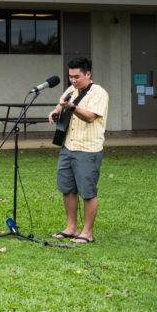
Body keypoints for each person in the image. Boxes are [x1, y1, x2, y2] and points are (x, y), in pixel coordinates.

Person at [46, 56, 109, 243]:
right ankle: (71, 228)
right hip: (68, 146)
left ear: (88, 74)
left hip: (88, 149)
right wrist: (55, 111)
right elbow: (61, 103)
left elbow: (90, 117)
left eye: (77, 76)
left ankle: (87, 233)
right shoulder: (71, 89)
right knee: (67, 189)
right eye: (70, 76)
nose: (73, 80)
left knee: (88, 192)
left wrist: (72, 107)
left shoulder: (99, 93)